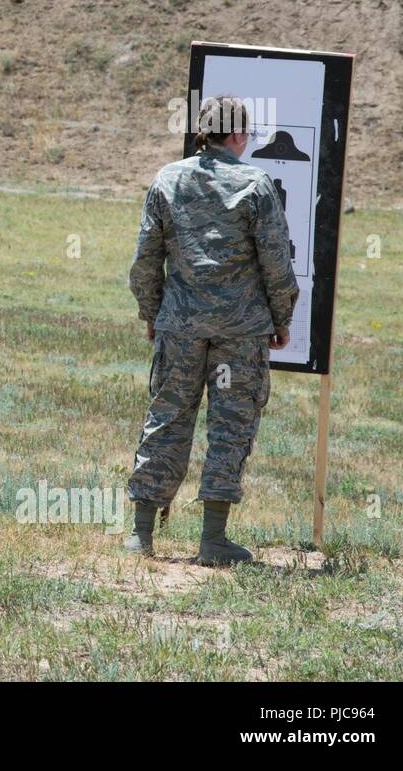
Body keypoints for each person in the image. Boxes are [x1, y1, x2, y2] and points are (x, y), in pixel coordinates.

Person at [125, 96, 299, 564]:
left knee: (167, 418)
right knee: (230, 425)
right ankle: (213, 540)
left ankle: (142, 533)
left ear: (203, 132)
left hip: (180, 327)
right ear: (238, 136)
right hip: (239, 333)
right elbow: (277, 266)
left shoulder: (168, 179)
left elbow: (145, 260)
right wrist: (281, 320)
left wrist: (153, 314)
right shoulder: (256, 185)